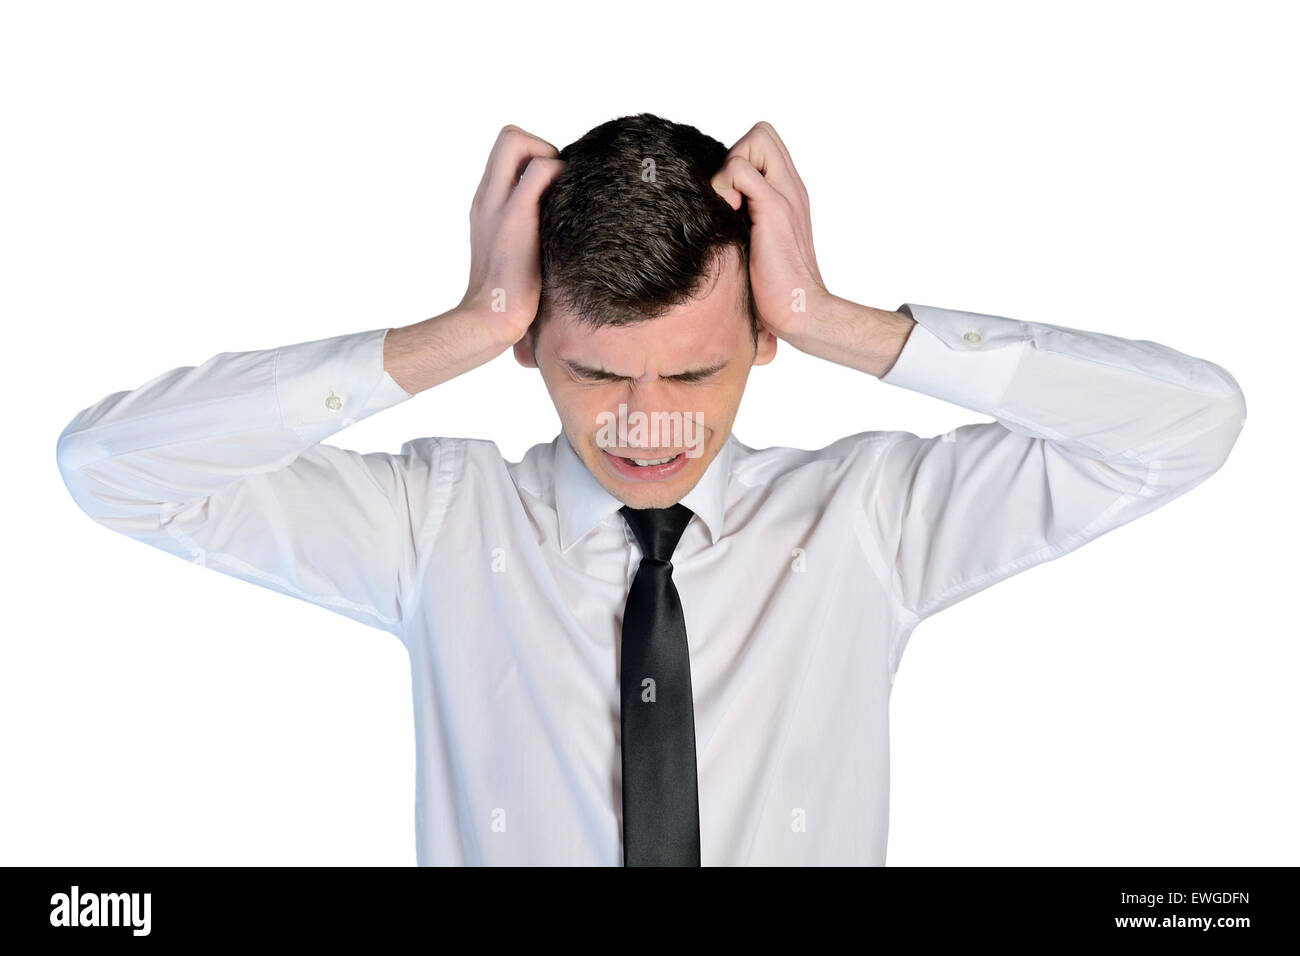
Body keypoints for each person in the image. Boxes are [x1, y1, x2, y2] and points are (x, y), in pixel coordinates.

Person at [55, 113, 1247, 866]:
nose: (647, 421)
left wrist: (839, 318)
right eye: (593, 370)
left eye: (694, 367)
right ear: (530, 346)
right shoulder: (431, 526)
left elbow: (1187, 427)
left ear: (760, 340)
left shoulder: (871, 522)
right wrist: (458, 326)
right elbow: (117, 473)